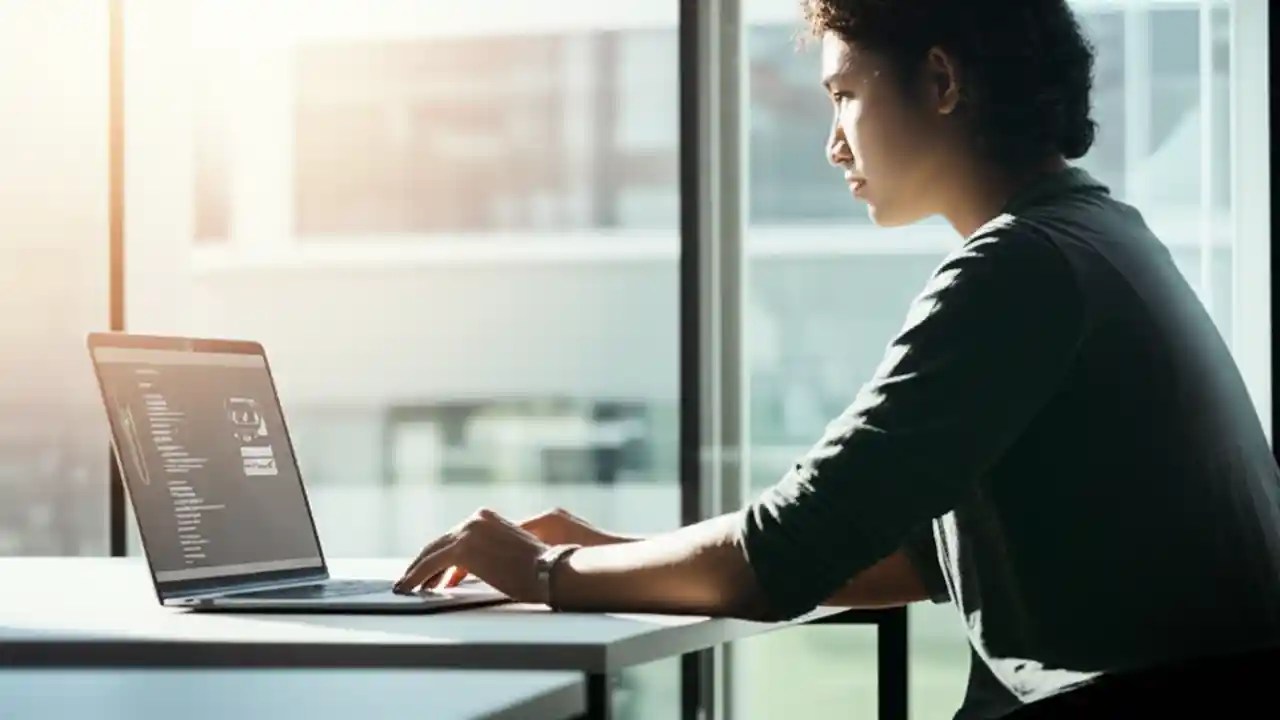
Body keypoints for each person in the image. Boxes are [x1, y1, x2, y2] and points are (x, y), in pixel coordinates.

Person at [395, 0, 1280, 716]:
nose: (832, 142)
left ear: (939, 81)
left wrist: (550, 574)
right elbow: (901, 558)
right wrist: (622, 552)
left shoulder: (1022, 266)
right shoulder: (1098, 237)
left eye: (844, 94)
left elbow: (792, 551)